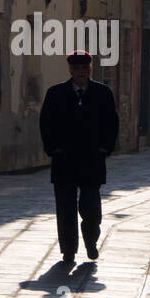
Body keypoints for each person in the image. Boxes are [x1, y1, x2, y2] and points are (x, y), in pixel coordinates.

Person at [39, 50, 119, 266]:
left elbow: (112, 123)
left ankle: (91, 241)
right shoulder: (55, 93)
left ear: (90, 69)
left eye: (84, 68)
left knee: (91, 207)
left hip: (92, 160)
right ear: (71, 70)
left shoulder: (103, 93)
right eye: (77, 69)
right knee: (65, 209)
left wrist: (105, 148)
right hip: (64, 160)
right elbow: (46, 123)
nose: (81, 72)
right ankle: (68, 251)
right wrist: (53, 149)